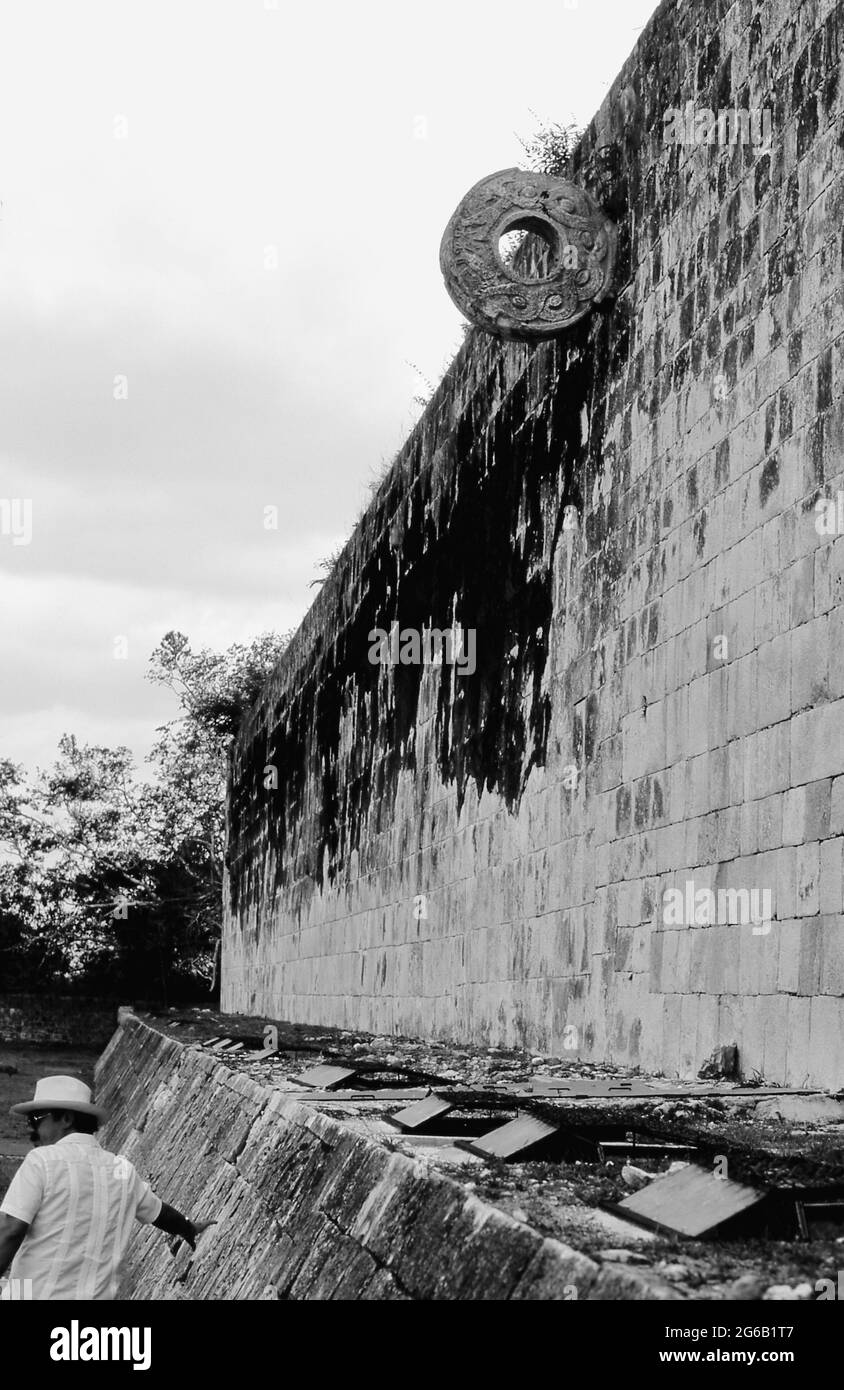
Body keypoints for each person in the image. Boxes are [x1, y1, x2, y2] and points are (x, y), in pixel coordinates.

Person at [0, 1075, 214, 1299]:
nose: (32, 1129)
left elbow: (11, 1230)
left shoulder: (42, 1161)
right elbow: (159, 1213)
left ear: (66, 1118)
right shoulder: (122, 1171)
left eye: (36, 1119)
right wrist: (189, 1228)